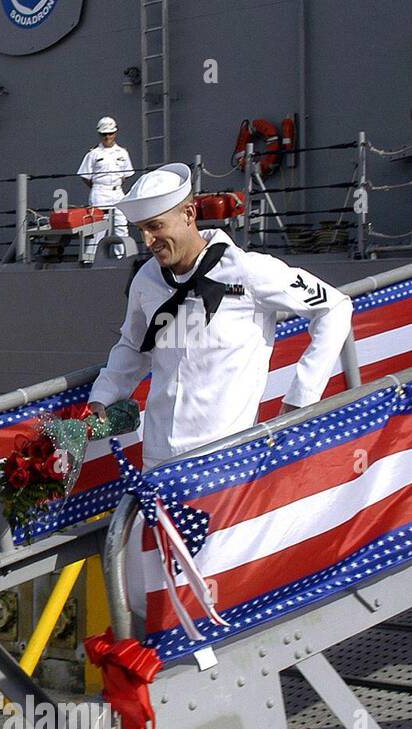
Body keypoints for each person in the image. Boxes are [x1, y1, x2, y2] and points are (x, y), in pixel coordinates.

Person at [87, 164, 353, 612]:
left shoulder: (248, 272)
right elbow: (132, 347)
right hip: (157, 465)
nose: (148, 242)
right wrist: (101, 399)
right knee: (144, 598)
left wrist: (300, 401)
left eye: (156, 227)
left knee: (211, 599)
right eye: (141, 231)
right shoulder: (148, 283)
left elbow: (334, 307)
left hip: (221, 465)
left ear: (189, 213)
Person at [76, 117, 134, 263]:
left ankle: (122, 258)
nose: (107, 137)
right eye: (104, 134)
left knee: (121, 226)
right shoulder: (93, 154)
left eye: (110, 133)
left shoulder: (122, 153)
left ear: (115, 133)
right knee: (97, 228)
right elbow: (85, 176)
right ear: (99, 135)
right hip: (99, 193)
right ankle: (91, 259)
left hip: (117, 192)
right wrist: (99, 187)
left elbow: (125, 175)